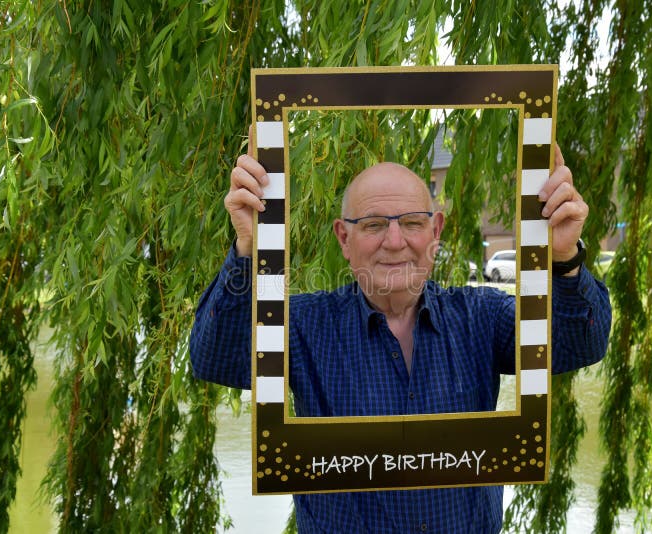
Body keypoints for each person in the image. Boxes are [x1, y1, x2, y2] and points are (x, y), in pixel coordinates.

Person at [190, 137, 611, 533]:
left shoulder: (482, 317)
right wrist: (250, 248)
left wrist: (563, 257)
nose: (395, 242)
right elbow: (216, 358)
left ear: (435, 232)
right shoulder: (305, 325)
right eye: (373, 225)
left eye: (412, 223)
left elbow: (578, 344)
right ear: (344, 238)